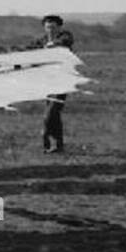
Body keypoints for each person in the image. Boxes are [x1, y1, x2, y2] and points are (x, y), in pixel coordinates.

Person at [38, 13, 75, 153]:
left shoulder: (65, 37)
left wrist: (53, 44)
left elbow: (66, 41)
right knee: (55, 114)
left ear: (59, 27)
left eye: (53, 27)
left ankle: (45, 135)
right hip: (47, 82)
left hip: (63, 81)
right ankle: (59, 146)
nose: (50, 30)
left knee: (50, 113)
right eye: (47, 27)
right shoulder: (41, 40)